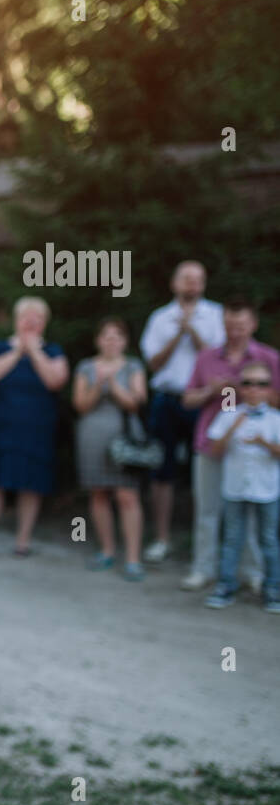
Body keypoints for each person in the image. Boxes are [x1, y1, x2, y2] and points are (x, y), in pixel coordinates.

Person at [181, 297, 280, 592]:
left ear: (252, 325)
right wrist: (211, 391)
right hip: (212, 441)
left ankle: (253, 573)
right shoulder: (207, 357)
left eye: (241, 325)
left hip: (254, 446)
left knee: (252, 512)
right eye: (230, 325)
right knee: (208, 509)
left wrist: (243, 389)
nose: (235, 331)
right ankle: (203, 568)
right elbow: (187, 399)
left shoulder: (269, 357)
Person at [0, 296, 70, 557]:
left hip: (35, 430)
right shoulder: (0, 348)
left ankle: (23, 541)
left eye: (38, 318)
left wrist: (33, 351)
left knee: (30, 484)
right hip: (0, 428)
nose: (32, 322)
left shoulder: (53, 351)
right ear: (16, 320)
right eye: (27, 317)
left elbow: (55, 381)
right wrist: (17, 352)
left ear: (45, 323)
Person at [138, 261, 224, 564]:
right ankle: (162, 538)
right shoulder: (160, 318)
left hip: (206, 401)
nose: (191, 285)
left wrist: (194, 332)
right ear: (175, 283)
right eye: (186, 279)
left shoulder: (216, 315)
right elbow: (154, 364)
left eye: (197, 280)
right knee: (162, 470)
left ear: (203, 284)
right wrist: (178, 335)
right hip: (167, 399)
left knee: (208, 470)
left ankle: (205, 543)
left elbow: (219, 362)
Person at [72, 318, 148, 581]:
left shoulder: (133, 366)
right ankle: (106, 550)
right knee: (99, 494)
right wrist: (98, 384)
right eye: (106, 335)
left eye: (117, 336)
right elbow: (80, 405)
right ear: (98, 340)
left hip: (124, 438)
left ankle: (133, 559)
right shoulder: (86, 367)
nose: (111, 341)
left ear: (125, 341)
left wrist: (114, 384)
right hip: (92, 435)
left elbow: (136, 403)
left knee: (128, 496)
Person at [202, 361, 280, 613]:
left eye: (261, 384)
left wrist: (263, 443)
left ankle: (273, 589)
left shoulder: (276, 419)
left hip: (266, 488)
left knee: (268, 539)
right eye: (248, 383)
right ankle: (225, 586)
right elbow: (213, 450)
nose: (254, 389)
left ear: (269, 388)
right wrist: (232, 429)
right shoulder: (228, 414)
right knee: (232, 538)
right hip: (234, 487)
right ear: (241, 387)